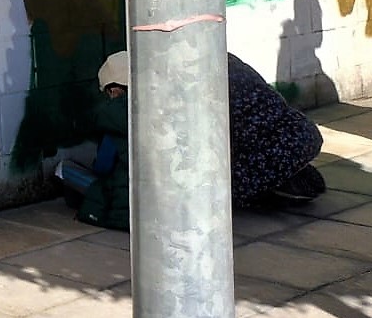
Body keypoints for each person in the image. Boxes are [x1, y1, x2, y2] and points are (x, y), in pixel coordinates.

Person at [64, 50, 326, 229]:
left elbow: (107, 155)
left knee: (206, 194)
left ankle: (266, 185)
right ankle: (281, 178)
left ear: (116, 89)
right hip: (301, 132)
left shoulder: (149, 97)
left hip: (263, 145)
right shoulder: (212, 55)